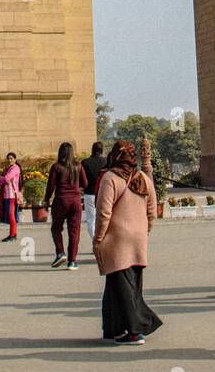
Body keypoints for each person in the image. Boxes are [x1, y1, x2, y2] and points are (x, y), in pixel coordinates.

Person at [94, 138, 161, 344]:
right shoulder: (142, 178)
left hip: (117, 239)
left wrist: (98, 238)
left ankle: (136, 329)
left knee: (124, 287)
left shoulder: (110, 178)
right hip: (138, 238)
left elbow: (103, 212)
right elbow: (153, 211)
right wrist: (144, 231)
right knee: (123, 285)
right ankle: (115, 328)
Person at [44, 143, 87, 269]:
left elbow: (51, 186)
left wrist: (46, 200)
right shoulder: (78, 166)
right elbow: (85, 183)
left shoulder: (56, 167)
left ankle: (60, 253)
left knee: (56, 228)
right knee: (74, 232)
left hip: (61, 200)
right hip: (75, 201)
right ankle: (72, 261)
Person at [81, 140, 107, 248]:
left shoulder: (85, 162)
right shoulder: (107, 161)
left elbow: (82, 180)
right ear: (102, 150)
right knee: (104, 218)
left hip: (89, 193)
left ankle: (96, 242)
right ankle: (103, 241)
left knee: (91, 219)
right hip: (104, 193)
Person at [0, 153, 22, 243]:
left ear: (15, 159)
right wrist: (2, 179)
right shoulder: (8, 168)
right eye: (8, 159)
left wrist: (0, 180)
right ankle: (12, 234)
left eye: (11, 158)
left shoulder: (15, 168)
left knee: (11, 215)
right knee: (10, 215)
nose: (9, 160)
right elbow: (5, 179)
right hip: (7, 195)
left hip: (12, 195)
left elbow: (7, 178)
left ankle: (12, 235)